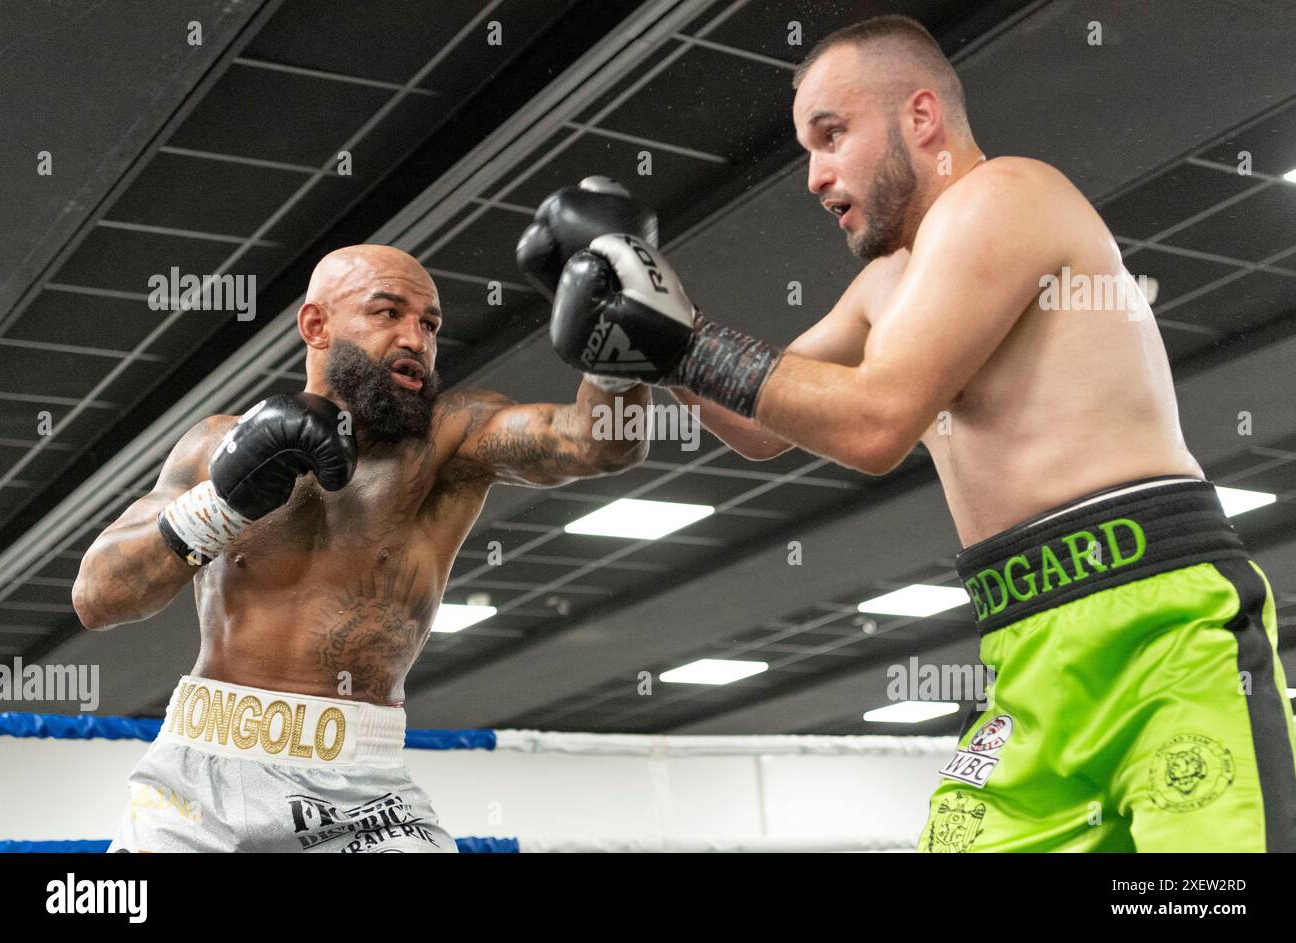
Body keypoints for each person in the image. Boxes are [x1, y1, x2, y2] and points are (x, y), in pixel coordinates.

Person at [538, 15, 1296, 851]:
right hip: (1025, 649)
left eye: (832, 136)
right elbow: (762, 426)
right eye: (805, 150)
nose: (816, 174)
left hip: (1161, 637)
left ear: (921, 117)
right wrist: (636, 331)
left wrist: (680, 339)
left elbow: (875, 423)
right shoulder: (882, 287)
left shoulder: (1007, 195)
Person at [73, 231, 651, 852]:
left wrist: (613, 331)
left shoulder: (450, 438)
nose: (416, 340)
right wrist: (224, 500)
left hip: (362, 793)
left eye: (429, 324)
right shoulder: (217, 444)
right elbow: (99, 598)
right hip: (195, 780)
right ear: (316, 325)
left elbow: (599, 443)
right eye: (388, 313)